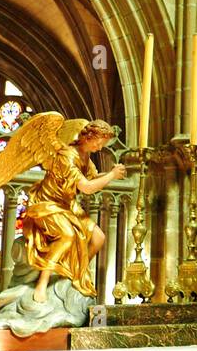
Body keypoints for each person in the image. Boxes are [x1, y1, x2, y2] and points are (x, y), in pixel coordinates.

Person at [24, 119, 126, 303]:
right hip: (48, 204)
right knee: (67, 235)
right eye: (100, 143)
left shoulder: (85, 155)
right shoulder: (67, 156)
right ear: (90, 137)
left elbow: (93, 178)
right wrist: (111, 175)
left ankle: (73, 274)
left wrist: (110, 174)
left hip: (67, 205)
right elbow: (86, 188)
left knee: (98, 238)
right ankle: (42, 283)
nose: (100, 148)